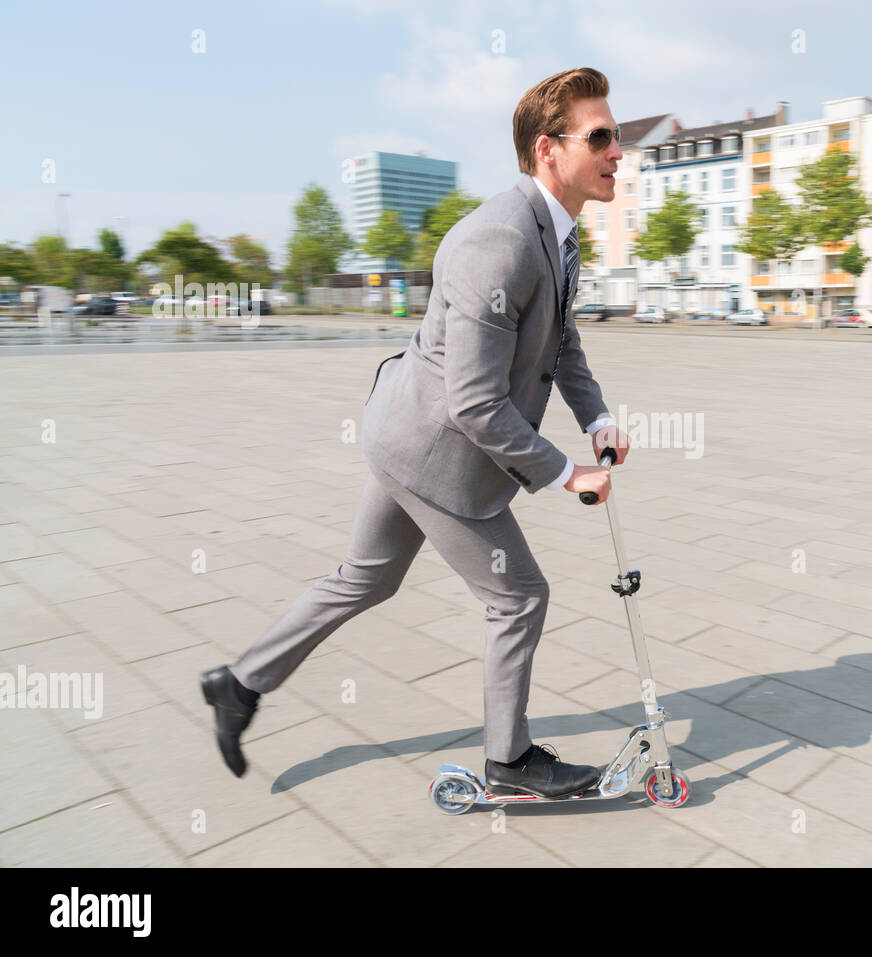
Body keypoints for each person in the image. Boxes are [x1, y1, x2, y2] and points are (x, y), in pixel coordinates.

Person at [201, 67, 631, 799]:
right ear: (547, 150)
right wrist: (566, 473)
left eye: (615, 134)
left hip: (406, 435)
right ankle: (509, 762)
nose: (617, 150)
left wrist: (596, 416)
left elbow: (557, 342)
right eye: (601, 137)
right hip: (439, 451)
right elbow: (473, 402)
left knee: (363, 576)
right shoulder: (499, 241)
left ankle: (238, 682)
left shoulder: (557, 236)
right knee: (519, 595)